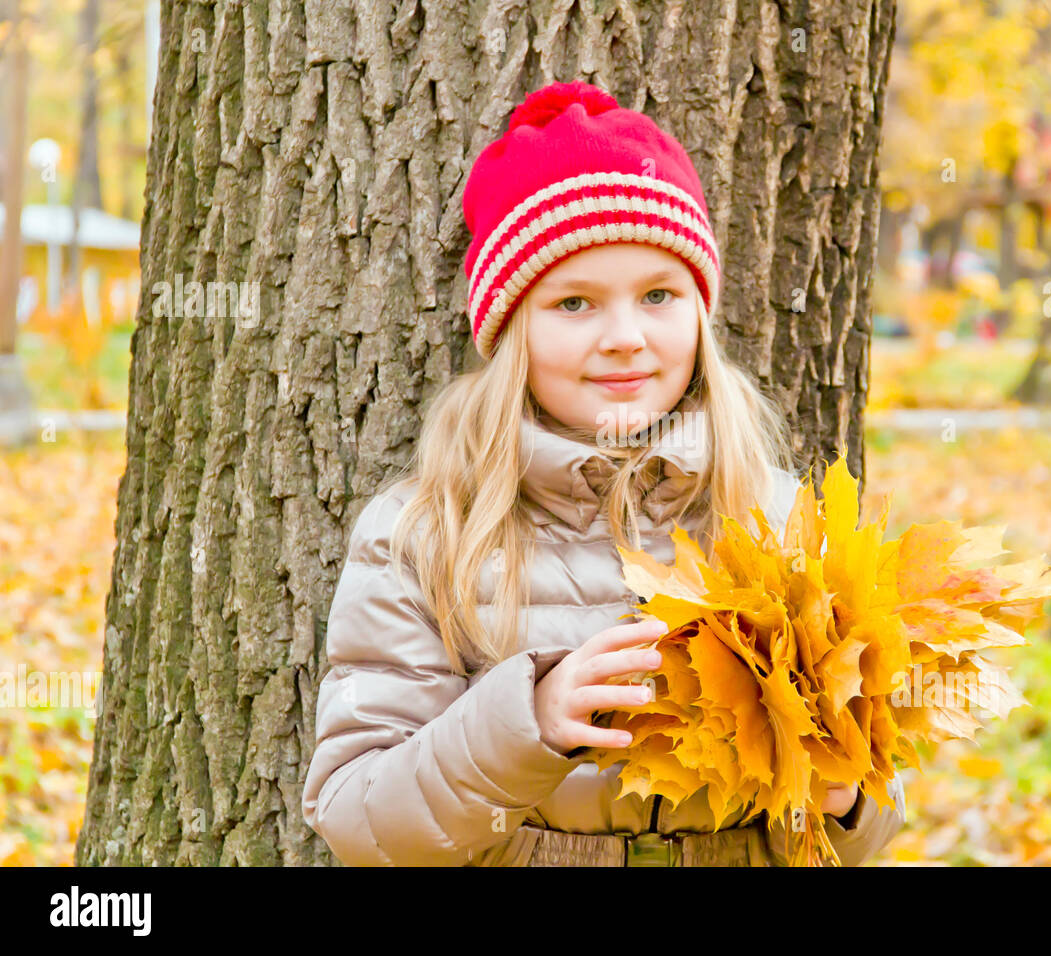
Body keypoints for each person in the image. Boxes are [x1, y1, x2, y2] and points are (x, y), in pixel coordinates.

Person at [301, 80, 906, 866]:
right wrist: (528, 721)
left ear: (699, 314)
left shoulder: (775, 516)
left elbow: (873, 809)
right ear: (510, 327)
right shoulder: (423, 534)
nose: (624, 337)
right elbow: (356, 816)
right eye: (575, 303)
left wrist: (847, 796)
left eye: (658, 295)